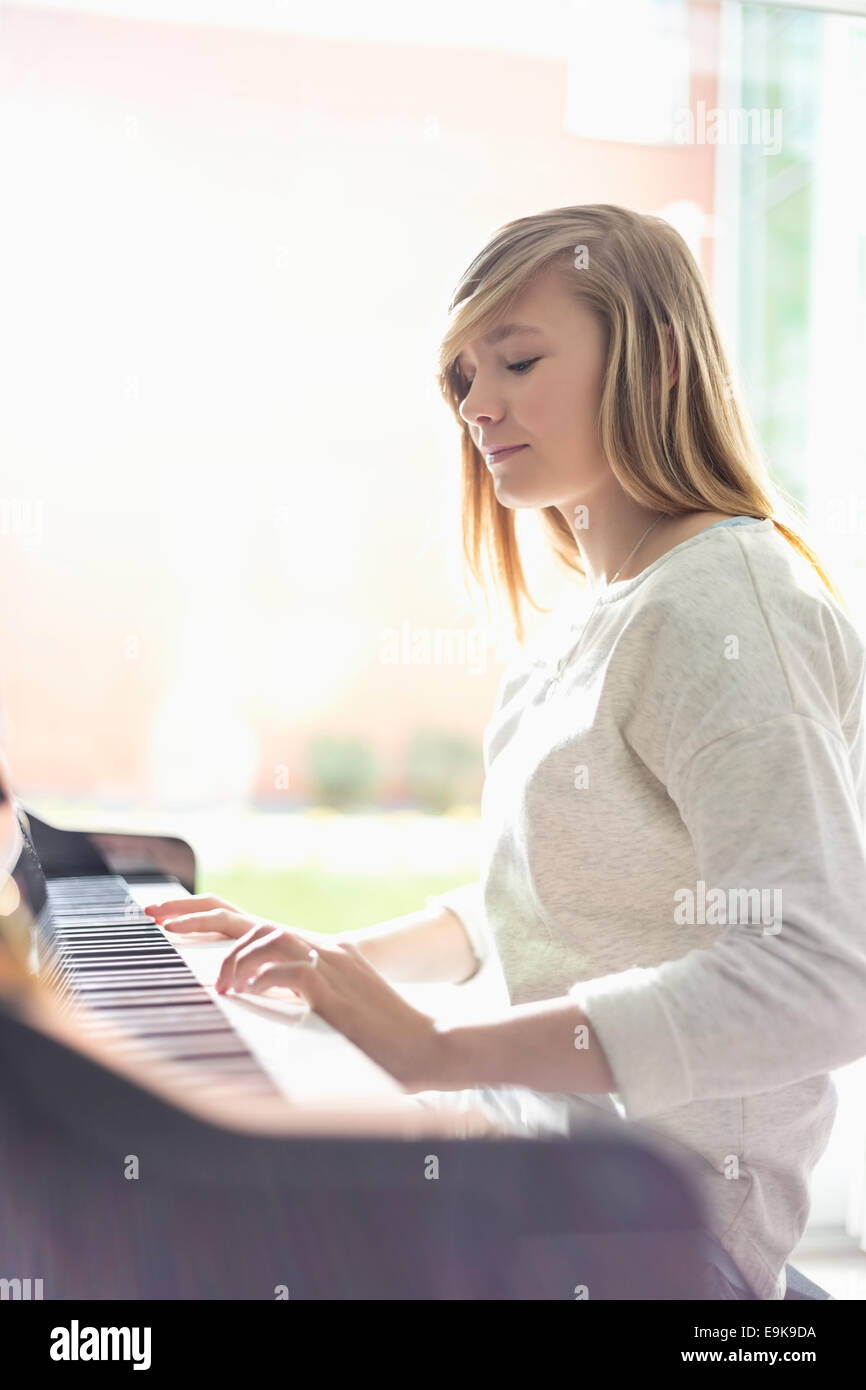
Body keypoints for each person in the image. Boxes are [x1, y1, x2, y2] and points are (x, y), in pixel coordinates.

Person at [147, 204, 866, 1301]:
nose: (478, 407)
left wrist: (445, 1053)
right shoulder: (595, 612)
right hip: (535, 1172)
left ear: (653, 357)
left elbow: (822, 978)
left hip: (655, 1245)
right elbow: (556, 893)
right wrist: (337, 960)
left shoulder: (728, 607)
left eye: (518, 360)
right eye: (459, 380)